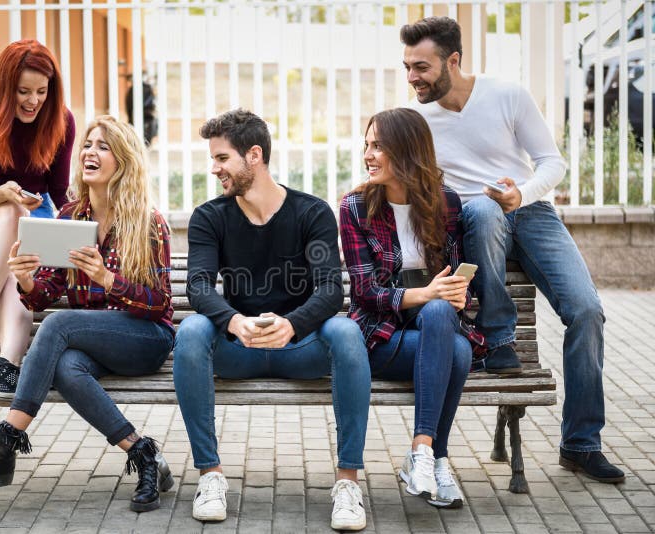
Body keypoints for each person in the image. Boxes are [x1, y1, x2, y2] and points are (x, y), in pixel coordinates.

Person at [401, 16, 624, 482]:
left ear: (453, 60)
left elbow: (551, 162)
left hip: (531, 212)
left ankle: (581, 444)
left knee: (587, 312)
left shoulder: (507, 95)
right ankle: (500, 340)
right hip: (473, 222)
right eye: (407, 67)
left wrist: (521, 194)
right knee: (481, 210)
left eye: (420, 67)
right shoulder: (417, 120)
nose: (412, 78)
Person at [0, 117, 176, 512]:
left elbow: (160, 303)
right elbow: (45, 296)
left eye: (103, 146)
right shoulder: (70, 217)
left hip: (145, 339)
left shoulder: (147, 222)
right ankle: (144, 453)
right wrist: (27, 280)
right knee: (67, 367)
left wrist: (107, 277)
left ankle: (4, 442)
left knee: (58, 325)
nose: (89, 152)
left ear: (123, 160)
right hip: (90, 345)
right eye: (88, 144)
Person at [172, 109, 371, 531]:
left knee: (347, 330)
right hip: (237, 350)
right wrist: (233, 322)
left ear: (254, 155)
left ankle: (348, 483)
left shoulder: (312, 213)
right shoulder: (210, 217)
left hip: (301, 349)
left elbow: (330, 290)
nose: (215, 169)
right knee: (190, 330)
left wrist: (293, 324)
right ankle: (210, 476)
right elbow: (200, 286)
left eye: (223, 158)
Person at [340, 108, 472, 509]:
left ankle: (424, 455)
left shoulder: (445, 203)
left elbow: (454, 278)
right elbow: (365, 292)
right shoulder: (355, 206)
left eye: (378, 145)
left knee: (448, 328)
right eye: (367, 145)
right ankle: (436, 457)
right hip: (380, 335)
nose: (369, 154)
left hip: (434, 328)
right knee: (458, 350)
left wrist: (457, 294)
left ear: (408, 149)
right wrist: (428, 295)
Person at [0, 39, 75, 406]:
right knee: (12, 214)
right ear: (6, 87)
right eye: (23, 91)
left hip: (27, 215)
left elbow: (58, 192)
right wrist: (7, 192)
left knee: (20, 268)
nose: (33, 101)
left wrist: (79, 222)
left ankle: (7, 365)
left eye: (41, 91)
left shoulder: (61, 120)